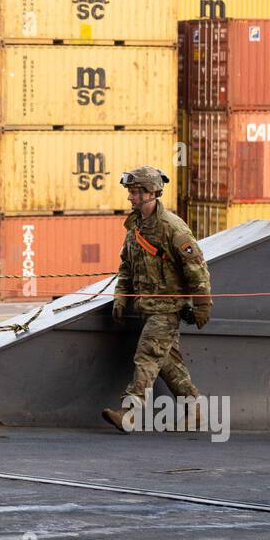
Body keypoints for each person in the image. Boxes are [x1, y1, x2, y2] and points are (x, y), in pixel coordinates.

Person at [101, 165, 212, 434]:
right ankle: (195, 409)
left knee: (147, 356)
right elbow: (126, 265)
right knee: (167, 363)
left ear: (151, 193)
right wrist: (120, 298)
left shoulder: (171, 227)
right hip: (147, 307)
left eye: (135, 192)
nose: (130, 197)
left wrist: (202, 305)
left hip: (168, 308)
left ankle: (130, 414)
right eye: (130, 191)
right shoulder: (136, 225)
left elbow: (196, 267)